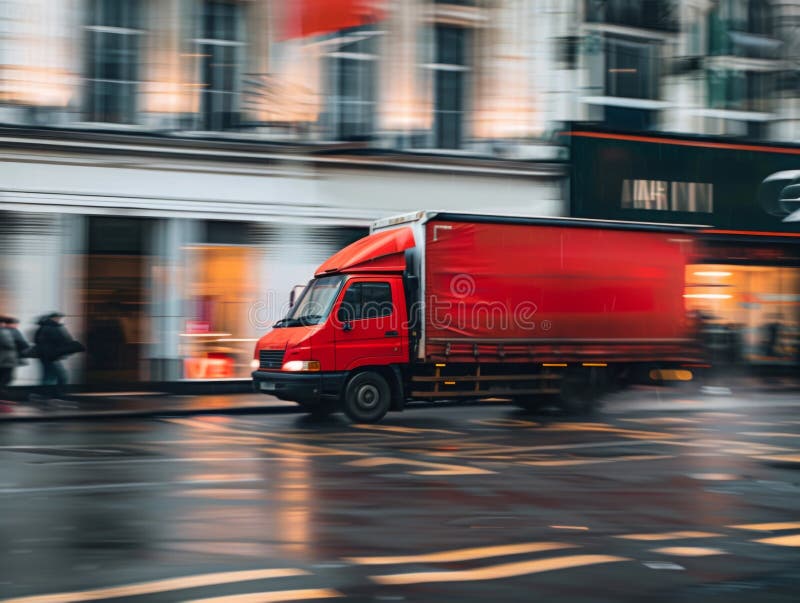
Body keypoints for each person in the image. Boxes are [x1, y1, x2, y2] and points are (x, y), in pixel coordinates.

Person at [33, 312, 84, 402]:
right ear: (53, 318)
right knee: (61, 376)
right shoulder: (52, 328)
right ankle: (57, 395)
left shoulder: (44, 327)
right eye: (58, 318)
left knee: (49, 376)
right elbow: (62, 340)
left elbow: (38, 341)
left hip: (47, 355)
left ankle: (45, 395)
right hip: (52, 356)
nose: (59, 319)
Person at [0, 316, 18, 403]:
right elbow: (9, 344)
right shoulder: (3, 332)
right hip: (5, 360)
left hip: (4, 360)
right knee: (7, 378)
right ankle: (2, 398)